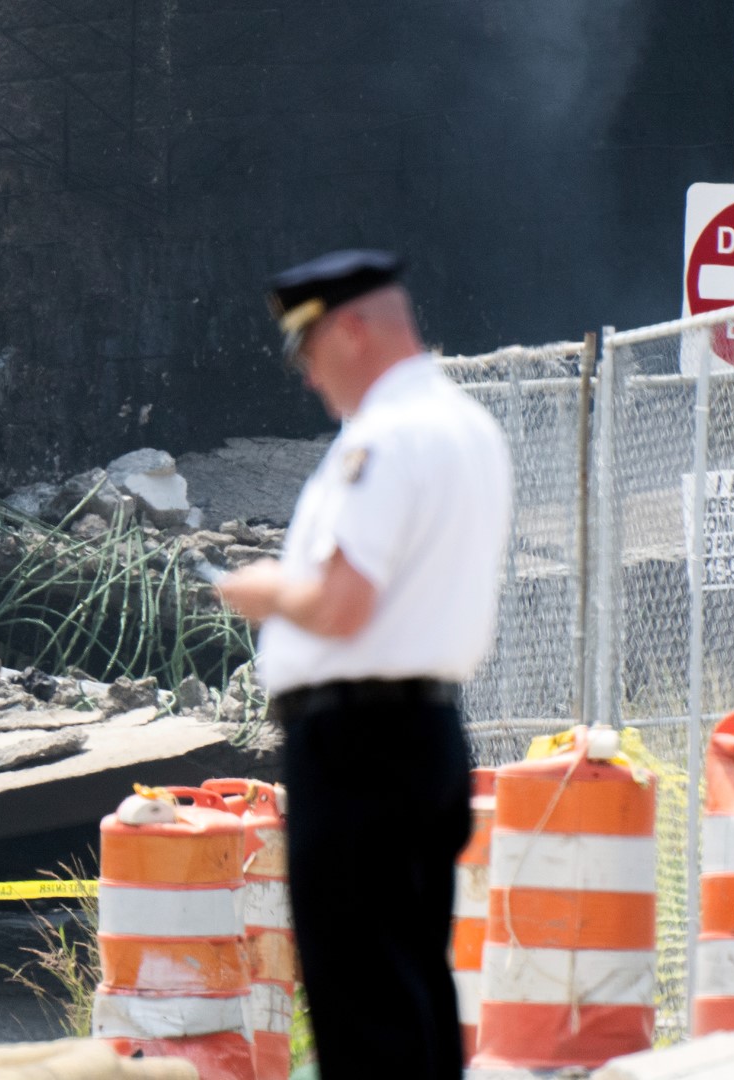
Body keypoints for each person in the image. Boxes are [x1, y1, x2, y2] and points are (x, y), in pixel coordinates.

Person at [216, 250, 512, 1080]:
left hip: (358, 742)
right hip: (424, 734)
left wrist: (270, 589)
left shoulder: (385, 438)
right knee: (412, 982)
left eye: (308, 354)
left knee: (359, 1001)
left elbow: (343, 603)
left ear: (351, 330)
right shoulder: (467, 427)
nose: (310, 380)